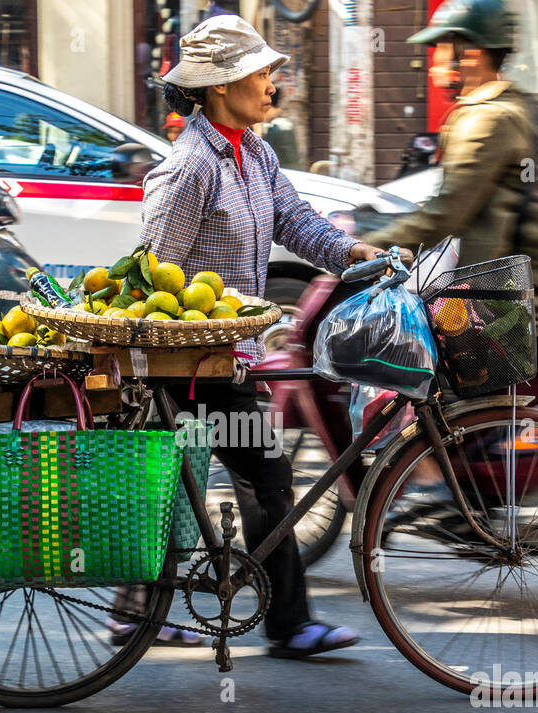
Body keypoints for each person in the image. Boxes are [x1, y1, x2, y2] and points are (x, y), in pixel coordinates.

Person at [127, 14, 390, 657]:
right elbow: (152, 269)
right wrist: (174, 349)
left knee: (207, 482)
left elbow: (296, 222)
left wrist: (352, 253)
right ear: (220, 86)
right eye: (261, 72)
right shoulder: (191, 167)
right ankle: (286, 623)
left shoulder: (255, 152)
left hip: (230, 357)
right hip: (189, 360)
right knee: (258, 477)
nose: (273, 83)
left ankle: (146, 610)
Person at [365, 0, 538, 339]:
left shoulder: (488, 120)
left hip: (533, 302)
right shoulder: (521, 107)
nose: (433, 63)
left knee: (423, 362)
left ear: (471, 54)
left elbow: (444, 215)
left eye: (441, 49)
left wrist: (357, 246)